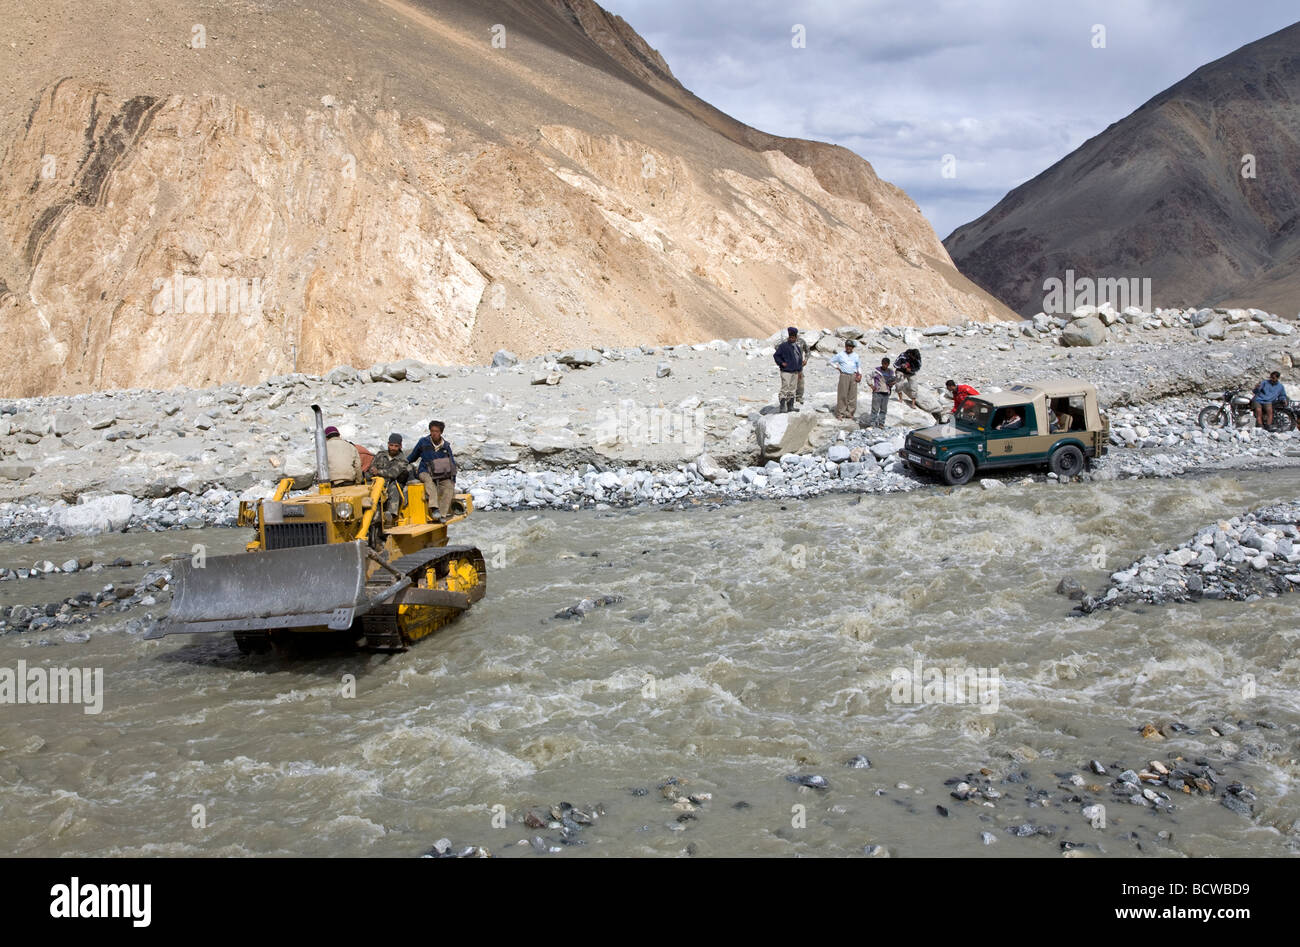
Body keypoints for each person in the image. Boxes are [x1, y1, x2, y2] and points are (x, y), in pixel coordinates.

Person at [408, 420, 457, 521]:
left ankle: (442, 515)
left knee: (448, 486)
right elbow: (413, 456)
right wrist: (403, 463)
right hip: (424, 471)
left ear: (441, 432)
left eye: (437, 431)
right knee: (429, 482)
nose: (434, 433)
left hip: (440, 473)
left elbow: (451, 463)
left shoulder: (446, 446)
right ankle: (434, 508)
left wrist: (453, 479)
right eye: (432, 431)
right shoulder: (423, 442)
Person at [369, 433, 413, 521]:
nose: (393, 448)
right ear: (388, 444)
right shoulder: (380, 455)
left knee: (394, 486)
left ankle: (391, 515)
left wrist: (378, 472)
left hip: (395, 484)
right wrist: (374, 472)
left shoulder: (403, 460)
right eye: (391, 445)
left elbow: (393, 473)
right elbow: (372, 469)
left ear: (400, 446)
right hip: (378, 483)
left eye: (396, 446)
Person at [773, 327, 805, 413]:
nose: (792, 339)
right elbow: (776, 355)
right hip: (786, 371)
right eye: (790, 337)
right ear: (789, 337)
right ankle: (782, 406)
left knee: (793, 389)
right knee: (785, 388)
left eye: (793, 337)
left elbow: (799, 360)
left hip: (795, 372)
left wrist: (800, 371)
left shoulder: (797, 347)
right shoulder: (783, 346)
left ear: (796, 338)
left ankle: (790, 406)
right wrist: (781, 363)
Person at [829, 340, 862, 420]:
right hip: (844, 375)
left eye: (850, 346)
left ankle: (849, 412)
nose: (848, 348)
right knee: (842, 394)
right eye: (847, 346)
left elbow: (858, 366)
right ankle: (840, 413)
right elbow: (830, 361)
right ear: (845, 346)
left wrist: (860, 374)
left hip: (853, 375)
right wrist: (837, 368)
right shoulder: (840, 355)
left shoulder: (856, 356)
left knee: (852, 395)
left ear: (853, 347)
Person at [868, 357, 896, 427]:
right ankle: (872, 423)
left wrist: (892, 383)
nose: (884, 365)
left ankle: (881, 423)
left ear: (888, 364)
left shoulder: (891, 372)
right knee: (875, 409)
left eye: (886, 364)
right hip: (877, 392)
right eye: (883, 364)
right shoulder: (876, 371)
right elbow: (868, 376)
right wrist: (871, 385)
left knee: (883, 409)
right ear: (881, 363)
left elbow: (894, 380)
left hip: (886, 392)